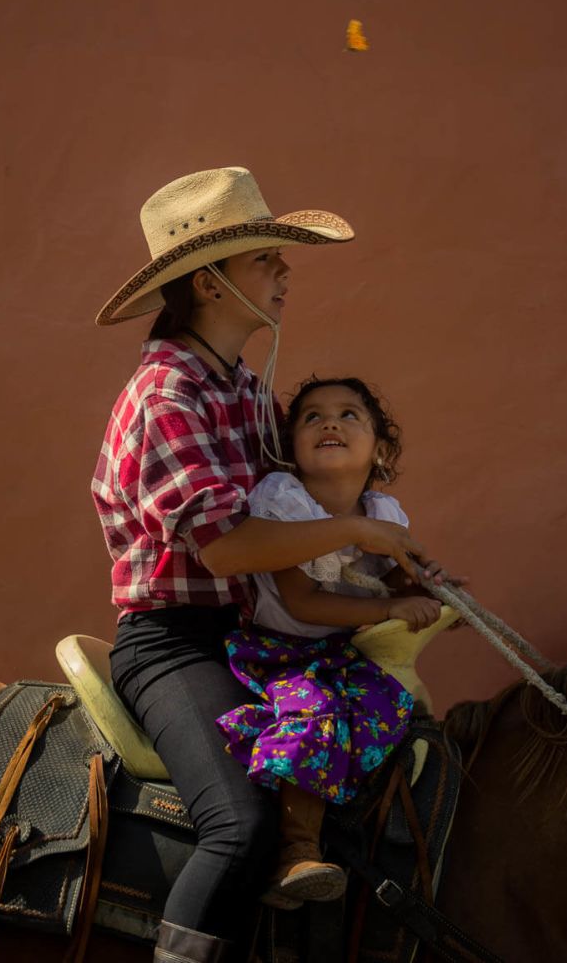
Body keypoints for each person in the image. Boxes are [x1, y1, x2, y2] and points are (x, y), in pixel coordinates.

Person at [92, 167, 430, 963]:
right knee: (239, 823)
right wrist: (360, 530)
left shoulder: (245, 390)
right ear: (210, 283)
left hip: (265, 633)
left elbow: (300, 514)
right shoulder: (163, 395)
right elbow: (231, 546)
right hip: (175, 641)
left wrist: (398, 561)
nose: (284, 272)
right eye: (264, 260)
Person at [216, 377, 462, 910]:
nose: (331, 423)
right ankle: (295, 849)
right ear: (292, 449)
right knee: (317, 712)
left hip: (337, 654)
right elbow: (302, 602)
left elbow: (391, 580)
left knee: (389, 709)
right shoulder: (282, 504)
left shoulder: (384, 514)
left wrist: (427, 589)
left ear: (379, 449)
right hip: (278, 651)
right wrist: (389, 609)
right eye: (312, 417)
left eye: (350, 415)